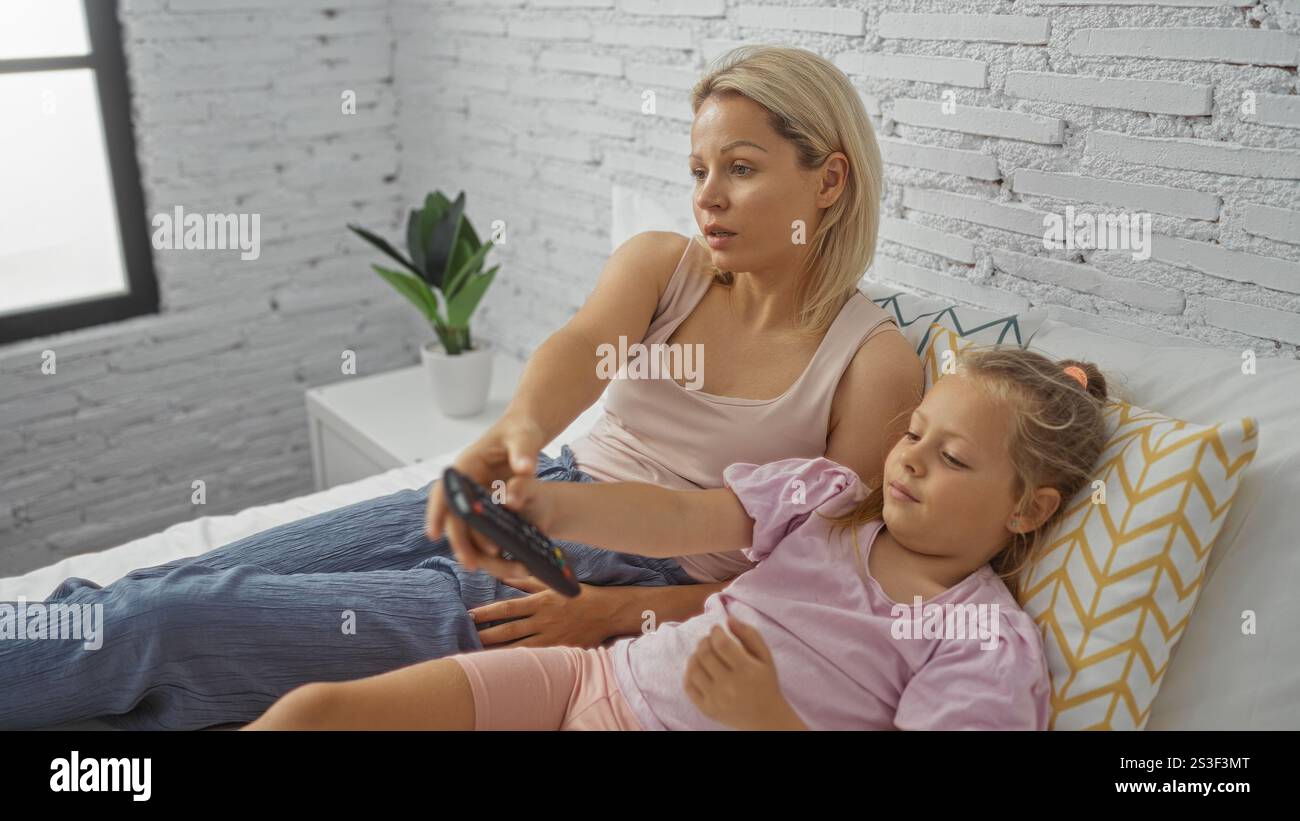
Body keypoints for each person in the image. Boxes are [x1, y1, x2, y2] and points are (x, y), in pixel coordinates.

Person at [0, 45, 921, 731]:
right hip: (541, 486)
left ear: (829, 179)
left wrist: (613, 614)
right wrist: (516, 436)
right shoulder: (665, 267)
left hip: (610, 580)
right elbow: (582, 344)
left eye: (742, 168)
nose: (706, 196)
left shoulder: (873, 364)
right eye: (699, 169)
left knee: (173, 625)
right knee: (170, 584)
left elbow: (816, 582)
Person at [247, 348, 1111, 731]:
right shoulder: (830, 501)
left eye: (952, 456)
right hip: (592, 679)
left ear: (1028, 509)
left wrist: (769, 718)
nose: (911, 460)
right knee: (315, 712)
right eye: (913, 432)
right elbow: (674, 520)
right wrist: (540, 507)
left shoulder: (982, 643)